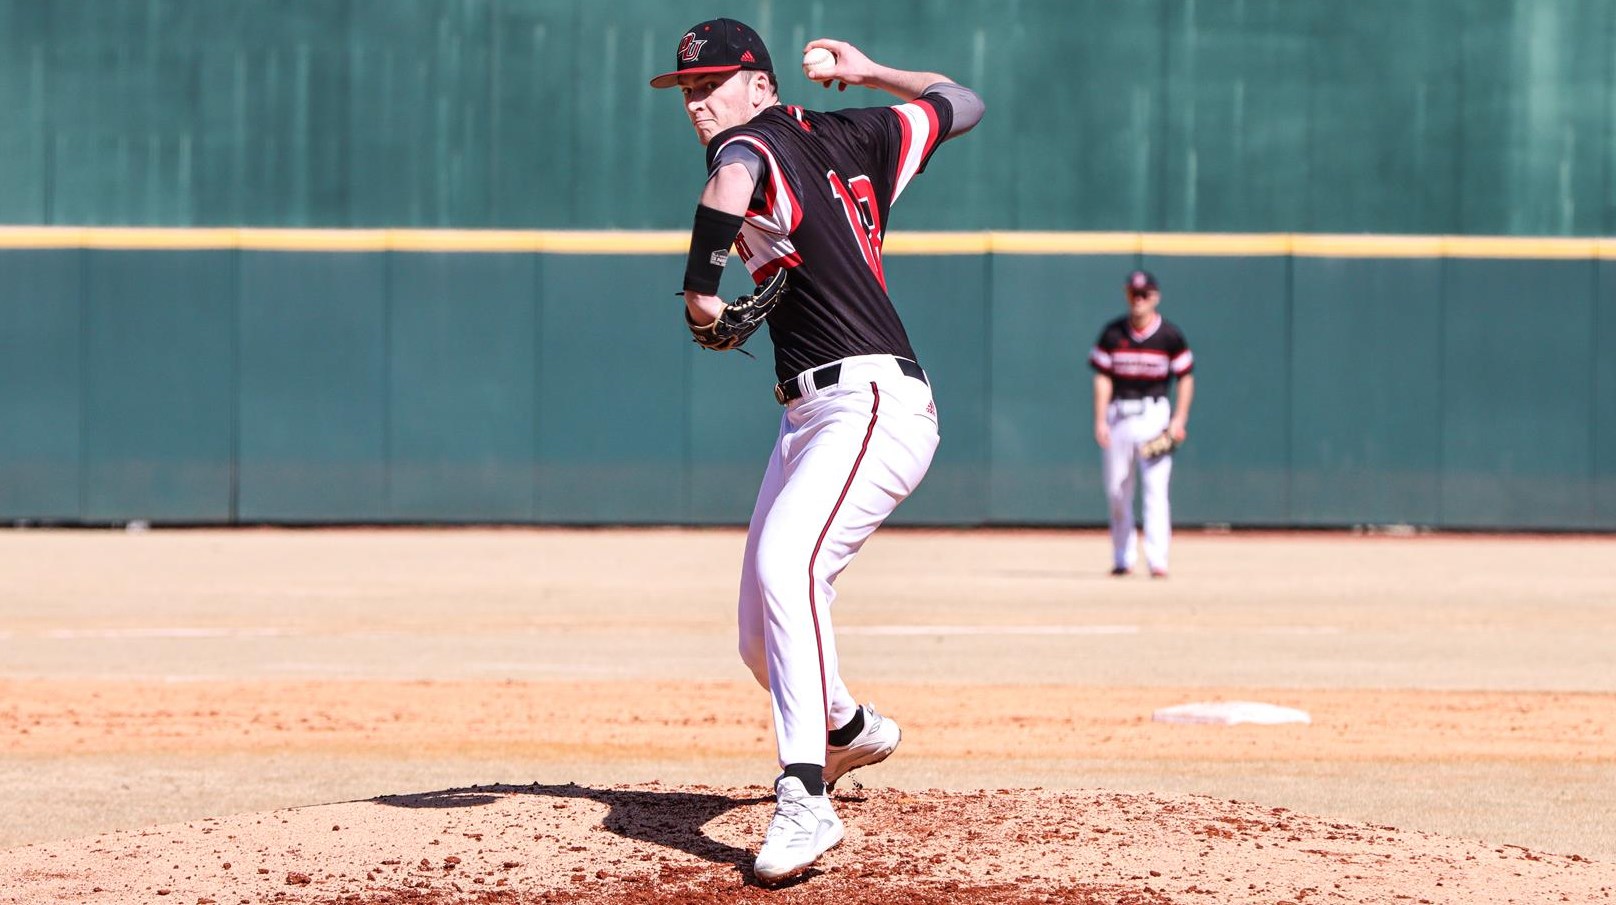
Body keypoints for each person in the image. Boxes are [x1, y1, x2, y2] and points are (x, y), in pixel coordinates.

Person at [650, 18, 983, 883]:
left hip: (870, 400)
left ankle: (804, 795)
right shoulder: (857, 133)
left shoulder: (751, 142)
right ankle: (844, 727)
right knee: (759, 638)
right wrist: (875, 75)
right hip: (814, 415)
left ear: (760, 85)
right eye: (687, 91)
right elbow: (962, 101)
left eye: (712, 85)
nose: (698, 104)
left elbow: (732, 179)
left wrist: (698, 291)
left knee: (790, 564)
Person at [1090, 269, 1195, 578]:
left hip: (1154, 415)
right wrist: (1099, 419)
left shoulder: (1169, 336)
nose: (1139, 299)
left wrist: (1179, 418)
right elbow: (1102, 379)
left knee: (1155, 489)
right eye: (1134, 293)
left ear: (1155, 297)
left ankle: (1157, 560)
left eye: (1145, 294)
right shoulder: (1112, 334)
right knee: (1117, 490)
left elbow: (1185, 377)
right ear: (1127, 295)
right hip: (1119, 414)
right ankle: (1123, 558)